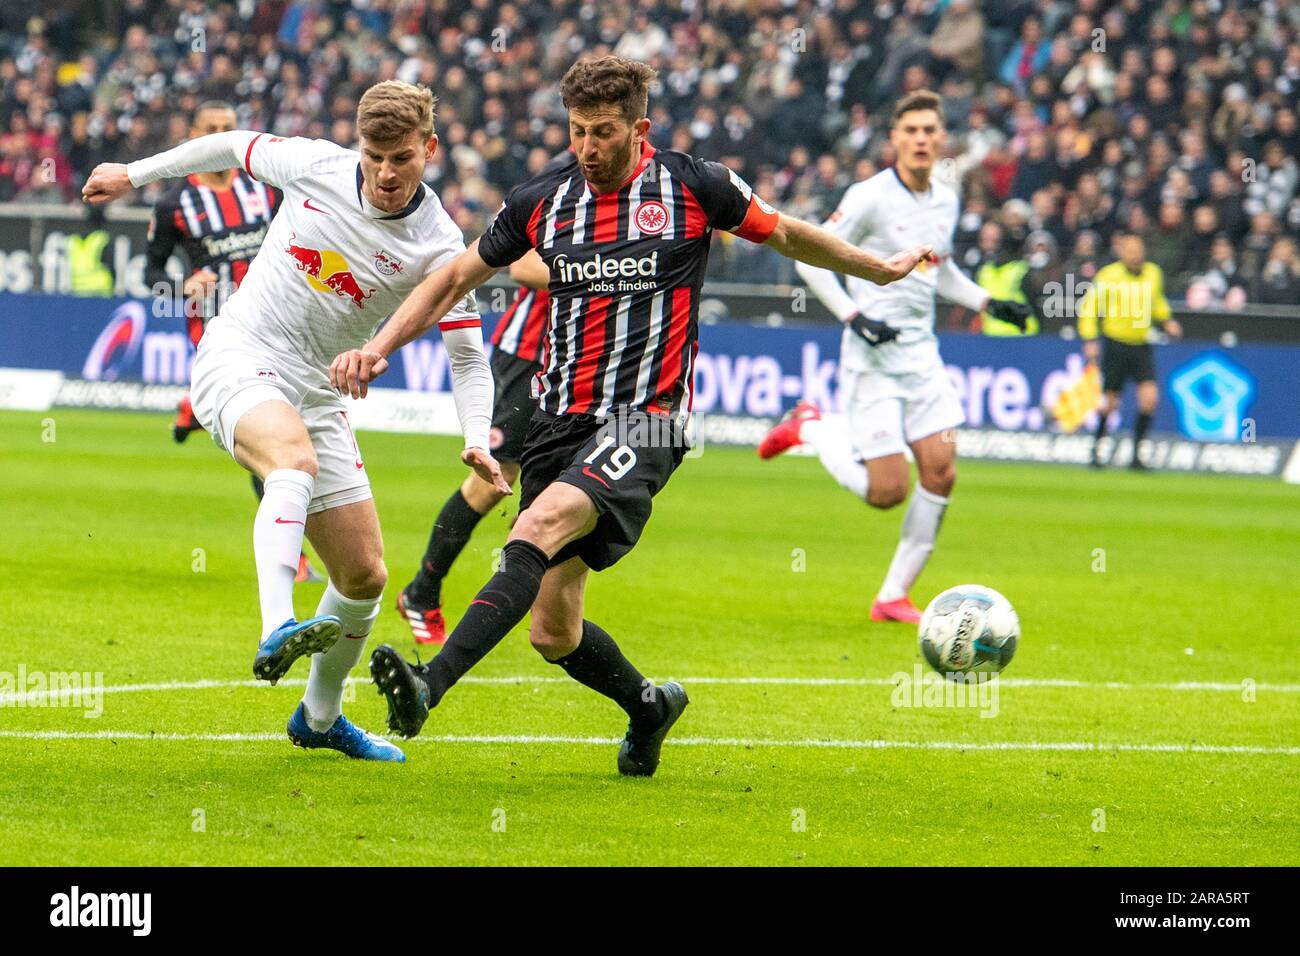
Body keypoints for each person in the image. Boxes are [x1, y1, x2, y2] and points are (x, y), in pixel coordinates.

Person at [331, 55, 933, 776]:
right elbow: (455, 277)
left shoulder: (693, 185)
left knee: (537, 525)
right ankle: (649, 706)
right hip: (559, 418)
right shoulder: (541, 199)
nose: (586, 147)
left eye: (603, 132)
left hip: (648, 419)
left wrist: (878, 269)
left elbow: (788, 233)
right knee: (553, 630)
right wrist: (378, 346)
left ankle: (429, 687)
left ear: (639, 128)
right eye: (577, 131)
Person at [82, 80, 502, 762]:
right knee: (292, 464)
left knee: (364, 574)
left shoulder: (439, 249)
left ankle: (319, 716)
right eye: (374, 156)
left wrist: (477, 439)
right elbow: (225, 144)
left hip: (319, 394)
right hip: (241, 352)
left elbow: (467, 357)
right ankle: (278, 623)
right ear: (358, 148)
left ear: (429, 150)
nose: (385, 173)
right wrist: (134, 173)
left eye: (401, 158)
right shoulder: (316, 164)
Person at [758, 90, 1033, 625]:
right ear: (895, 140)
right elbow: (810, 259)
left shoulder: (946, 199)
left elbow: (940, 270)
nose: (922, 139)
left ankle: (892, 596)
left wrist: (987, 301)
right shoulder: (869, 196)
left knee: (942, 470)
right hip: (871, 357)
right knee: (887, 492)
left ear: (941, 139)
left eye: (931, 130)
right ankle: (809, 427)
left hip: (921, 356)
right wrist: (853, 316)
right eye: (912, 130)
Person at [146, 100, 321, 583]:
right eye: (212, 130)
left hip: (278, 321)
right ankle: (296, 555)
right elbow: (151, 272)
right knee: (271, 434)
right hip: (220, 330)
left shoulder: (263, 192)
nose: (222, 137)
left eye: (229, 129)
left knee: (281, 427)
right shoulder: (173, 203)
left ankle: (194, 411)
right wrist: (181, 285)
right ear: (195, 138)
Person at [1079, 230, 1182, 470]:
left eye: (1139, 251)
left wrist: (1167, 321)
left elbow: (1156, 302)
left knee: (1149, 400)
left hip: (1142, 345)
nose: (1136, 256)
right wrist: (1090, 338)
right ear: (1122, 253)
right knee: (1110, 403)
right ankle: (1097, 450)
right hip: (1116, 344)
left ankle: (1136, 455)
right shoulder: (1108, 276)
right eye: (1131, 251)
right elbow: (1089, 309)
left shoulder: (1153, 273)